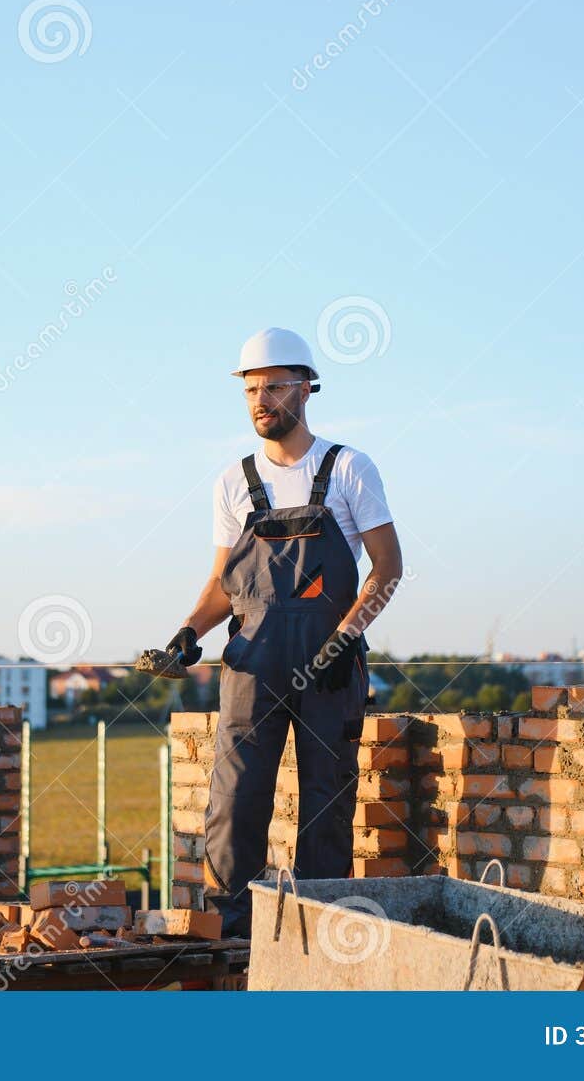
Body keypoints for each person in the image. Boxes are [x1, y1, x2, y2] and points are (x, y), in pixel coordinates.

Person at [152, 326, 403, 938]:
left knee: (325, 806)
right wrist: (188, 632)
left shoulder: (348, 468)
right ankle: (233, 943)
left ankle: (317, 946)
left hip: (330, 665)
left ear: (307, 390)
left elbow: (388, 569)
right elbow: (223, 582)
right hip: (251, 663)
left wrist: (345, 639)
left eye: (274, 388)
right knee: (235, 806)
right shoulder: (232, 481)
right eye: (251, 390)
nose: (261, 401)